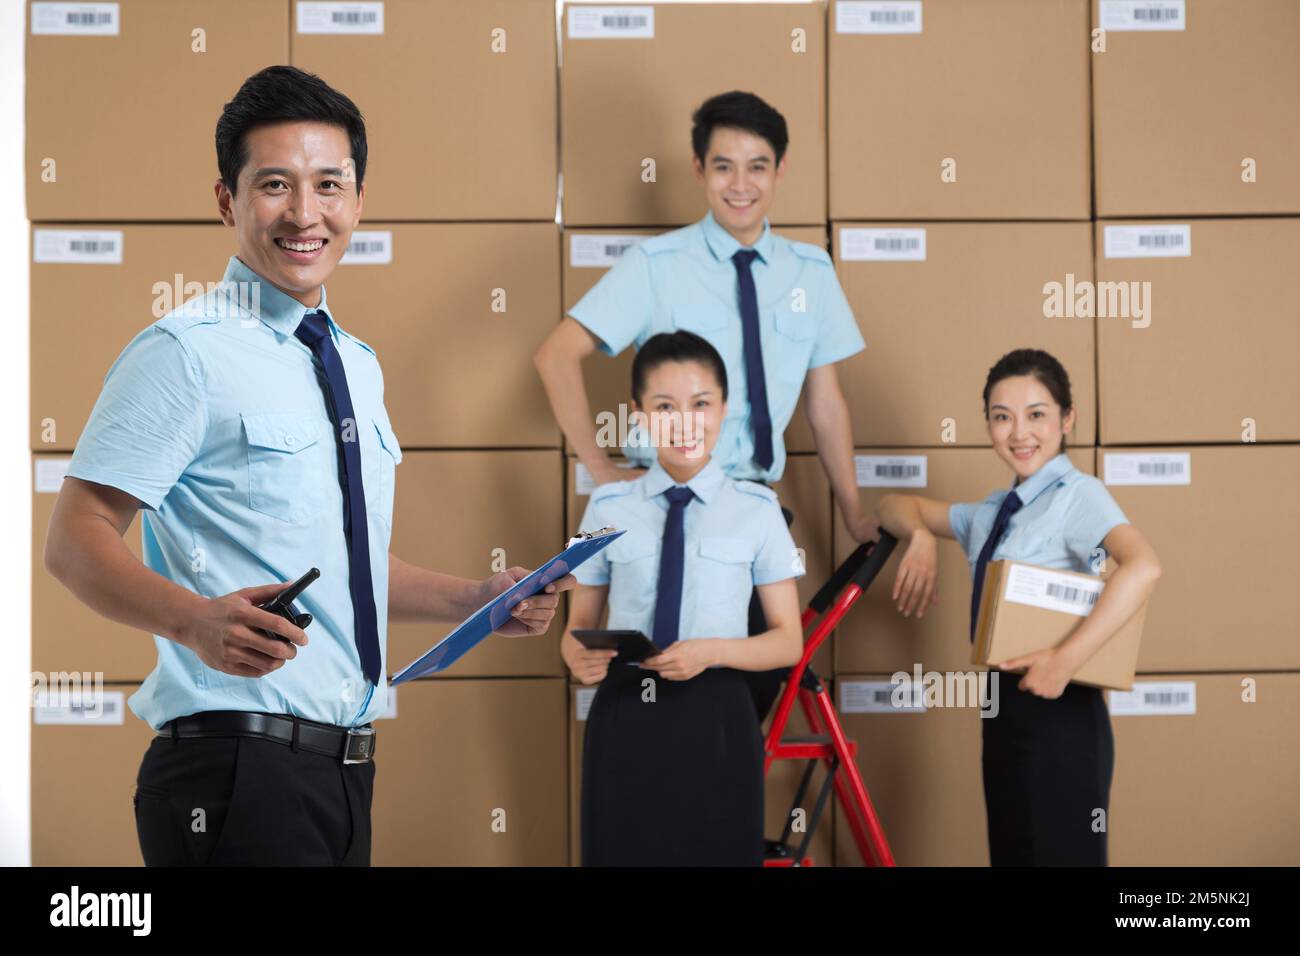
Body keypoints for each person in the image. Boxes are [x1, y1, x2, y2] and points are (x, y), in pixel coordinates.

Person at [42, 65, 573, 867]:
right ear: (227, 200)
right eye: (274, 185)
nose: (305, 213)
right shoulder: (184, 353)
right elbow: (74, 537)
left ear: (358, 201)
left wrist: (477, 599)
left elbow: (341, 565)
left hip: (343, 771)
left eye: (330, 184)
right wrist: (193, 619)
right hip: (234, 770)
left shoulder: (355, 365)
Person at [536, 90, 875, 720]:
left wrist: (854, 512)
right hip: (663, 507)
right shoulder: (656, 267)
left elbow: (826, 404)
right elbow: (555, 356)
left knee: (736, 711)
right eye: (723, 166)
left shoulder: (811, 273)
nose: (740, 184)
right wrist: (605, 473)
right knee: (649, 696)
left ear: (780, 170)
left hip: (751, 515)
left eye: (757, 166)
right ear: (698, 170)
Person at [874, 349, 1162, 866]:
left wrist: (1066, 660)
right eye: (1001, 417)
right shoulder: (991, 513)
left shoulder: (1079, 496)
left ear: (1066, 419)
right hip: (1003, 711)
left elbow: (1142, 567)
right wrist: (918, 533)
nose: (1019, 432)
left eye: (1037, 414)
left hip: (1062, 711)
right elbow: (891, 506)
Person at [563, 331, 805, 866]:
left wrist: (709, 651)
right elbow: (577, 623)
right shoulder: (606, 506)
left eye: (701, 405)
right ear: (638, 414)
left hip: (716, 713)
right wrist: (574, 654)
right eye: (664, 407)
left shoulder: (758, 509)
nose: (685, 422)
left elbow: (788, 643)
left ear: (724, 409)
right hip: (626, 711)